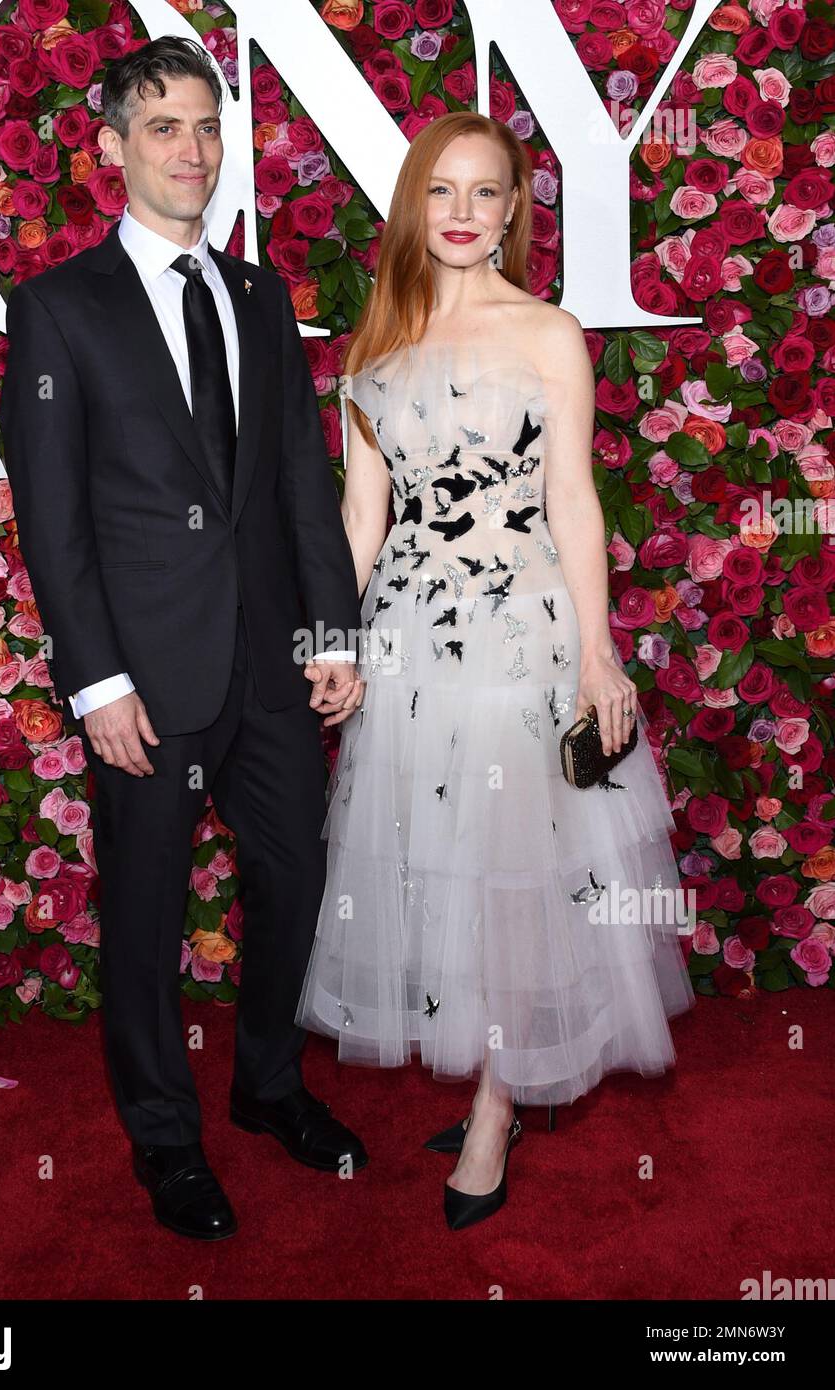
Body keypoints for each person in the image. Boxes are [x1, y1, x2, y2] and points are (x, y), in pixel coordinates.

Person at [295, 111, 696, 1232]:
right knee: (436, 866)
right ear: (414, 208)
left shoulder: (548, 332)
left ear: (515, 211)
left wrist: (601, 653)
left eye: (487, 193)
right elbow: (359, 520)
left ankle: (494, 1104)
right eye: (443, 192)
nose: (464, 213)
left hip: (524, 635)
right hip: (411, 643)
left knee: (518, 868)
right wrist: (338, 643)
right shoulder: (373, 350)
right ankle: (490, 1075)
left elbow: (575, 497)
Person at [0, 35, 368, 1243]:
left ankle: (267, 1087)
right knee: (149, 915)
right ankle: (166, 1138)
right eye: (163, 128)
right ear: (112, 149)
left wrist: (331, 632)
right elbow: (54, 523)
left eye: (207, 127)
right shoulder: (58, 310)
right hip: (145, 678)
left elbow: (305, 487)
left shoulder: (260, 298)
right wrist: (97, 679)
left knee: (298, 882)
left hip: (271, 663)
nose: (192, 151)